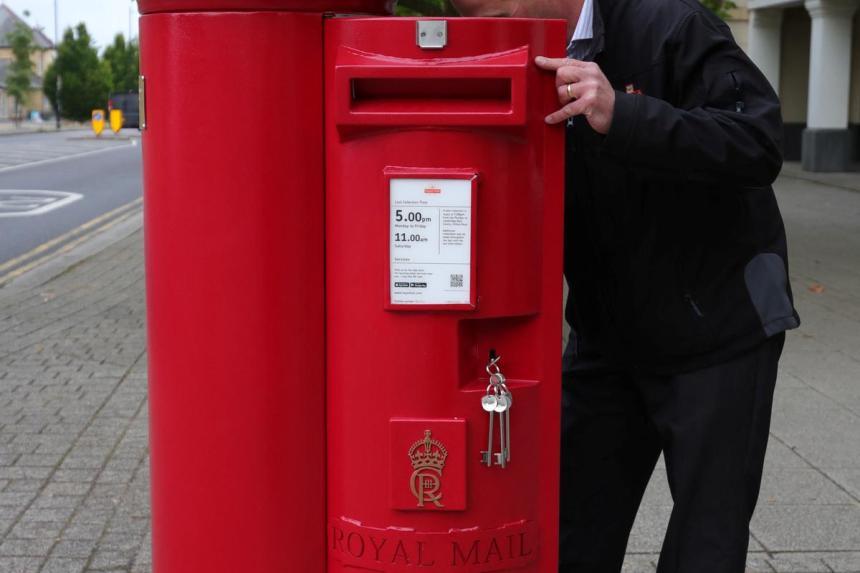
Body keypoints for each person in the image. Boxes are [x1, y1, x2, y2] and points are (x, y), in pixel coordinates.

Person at [449, 0, 800, 571]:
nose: (477, 22)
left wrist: (625, 114)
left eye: (487, 5)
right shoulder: (513, 53)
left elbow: (758, 138)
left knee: (704, 546)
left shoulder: (673, 24)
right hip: (608, 335)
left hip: (719, 328)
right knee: (568, 534)